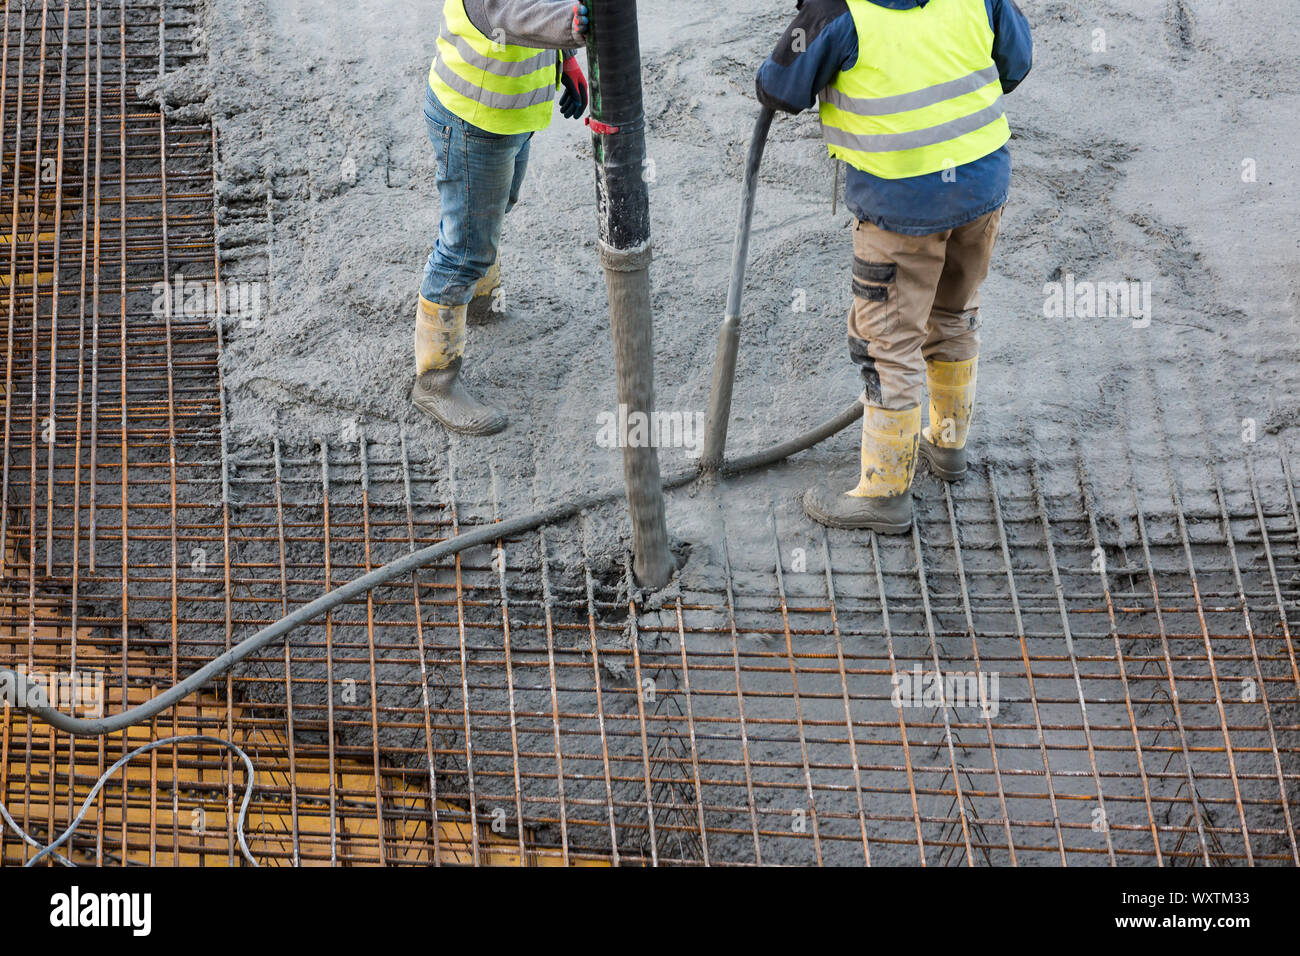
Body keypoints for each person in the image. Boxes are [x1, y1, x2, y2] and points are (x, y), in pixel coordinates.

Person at [755, 0, 1032, 531]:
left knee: (889, 346)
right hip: (982, 187)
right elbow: (1015, 64)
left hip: (902, 208)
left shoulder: (838, 11)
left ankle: (884, 493)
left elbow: (779, 87)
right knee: (953, 313)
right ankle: (947, 445)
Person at [415, 1, 591, 435]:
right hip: (474, 118)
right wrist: (568, 26)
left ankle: (479, 300)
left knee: (495, 209)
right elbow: (506, 11)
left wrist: (564, 57)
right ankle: (435, 383)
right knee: (464, 250)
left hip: (509, 114)